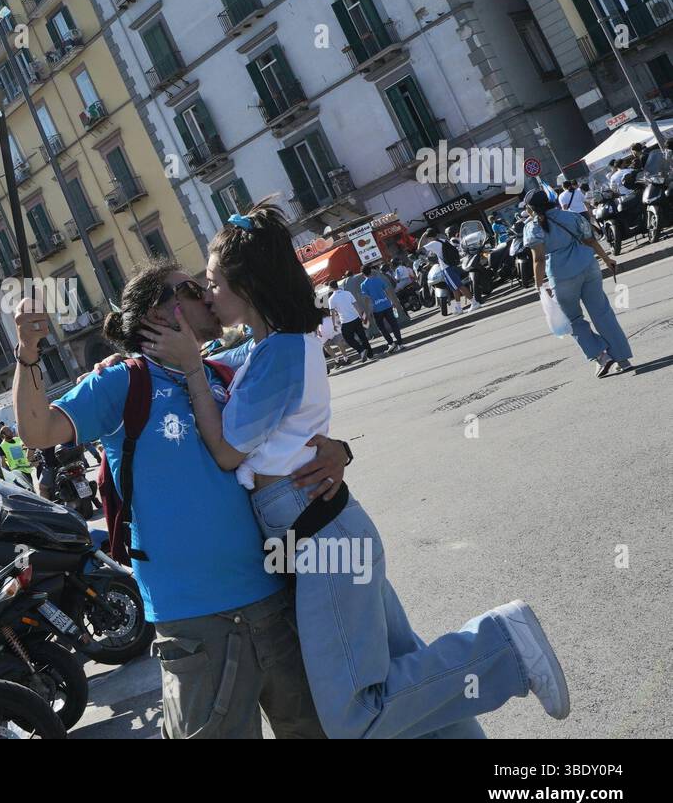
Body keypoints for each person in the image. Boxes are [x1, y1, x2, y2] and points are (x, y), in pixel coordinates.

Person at [139, 202, 570, 739]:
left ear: (247, 285)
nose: (207, 296)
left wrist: (192, 368)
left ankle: (501, 645)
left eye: (212, 283)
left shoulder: (278, 353)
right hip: (317, 527)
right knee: (398, 674)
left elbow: (228, 452)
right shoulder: (266, 349)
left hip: (316, 534)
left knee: (354, 717)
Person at [14, 259, 353, 740]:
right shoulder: (122, 382)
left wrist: (339, 449)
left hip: (272, 603)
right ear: (160, 311)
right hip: (195, 623)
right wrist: (28, 353)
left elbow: (296, 408)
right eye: (193, 289)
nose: (209, 296)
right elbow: (37, 429)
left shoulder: (222, 370)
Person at [523, 188, 633, 376]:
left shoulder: (532, 227)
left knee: (572, 320)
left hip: (561, 276)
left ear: (531, 209)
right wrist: (607, 259)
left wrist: (539, 285)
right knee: (603, 313)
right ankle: (623, 359)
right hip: (589, 267)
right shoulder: (571, 216)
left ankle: (601, 356)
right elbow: (590, 240)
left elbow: (539, 259)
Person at [421, 228, 478, 314]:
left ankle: (474, 302)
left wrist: (422, 236)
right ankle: (458, 307)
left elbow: (419, 249)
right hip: (453, 266)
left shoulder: (433, 244)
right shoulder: (442, 240)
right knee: (454, 288)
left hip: (447, 268)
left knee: (459, 286)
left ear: (429, 237)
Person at [360, 264, 404, 352]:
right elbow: (387, 291)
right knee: (394, 324)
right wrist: (393, 302)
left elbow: (367, 299)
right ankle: (400, 343)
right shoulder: (378, 279)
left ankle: (391, 343)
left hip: (376, 310)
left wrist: (369, 311)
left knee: (381, 328)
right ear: (371, 271)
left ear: (363, 274)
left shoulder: (363, 285)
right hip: (387, 305)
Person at [328, 279, 373, 362]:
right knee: (363, 337)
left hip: (345, 321)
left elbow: (333, 313)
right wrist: (361, 316)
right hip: (356, 318)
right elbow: (356, 305)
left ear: (330, 288)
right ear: (337, 285)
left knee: (348, 339)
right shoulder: (347, 293)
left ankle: (361, 350)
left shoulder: (331, 299)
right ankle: (370, 354)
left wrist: (334, 324)